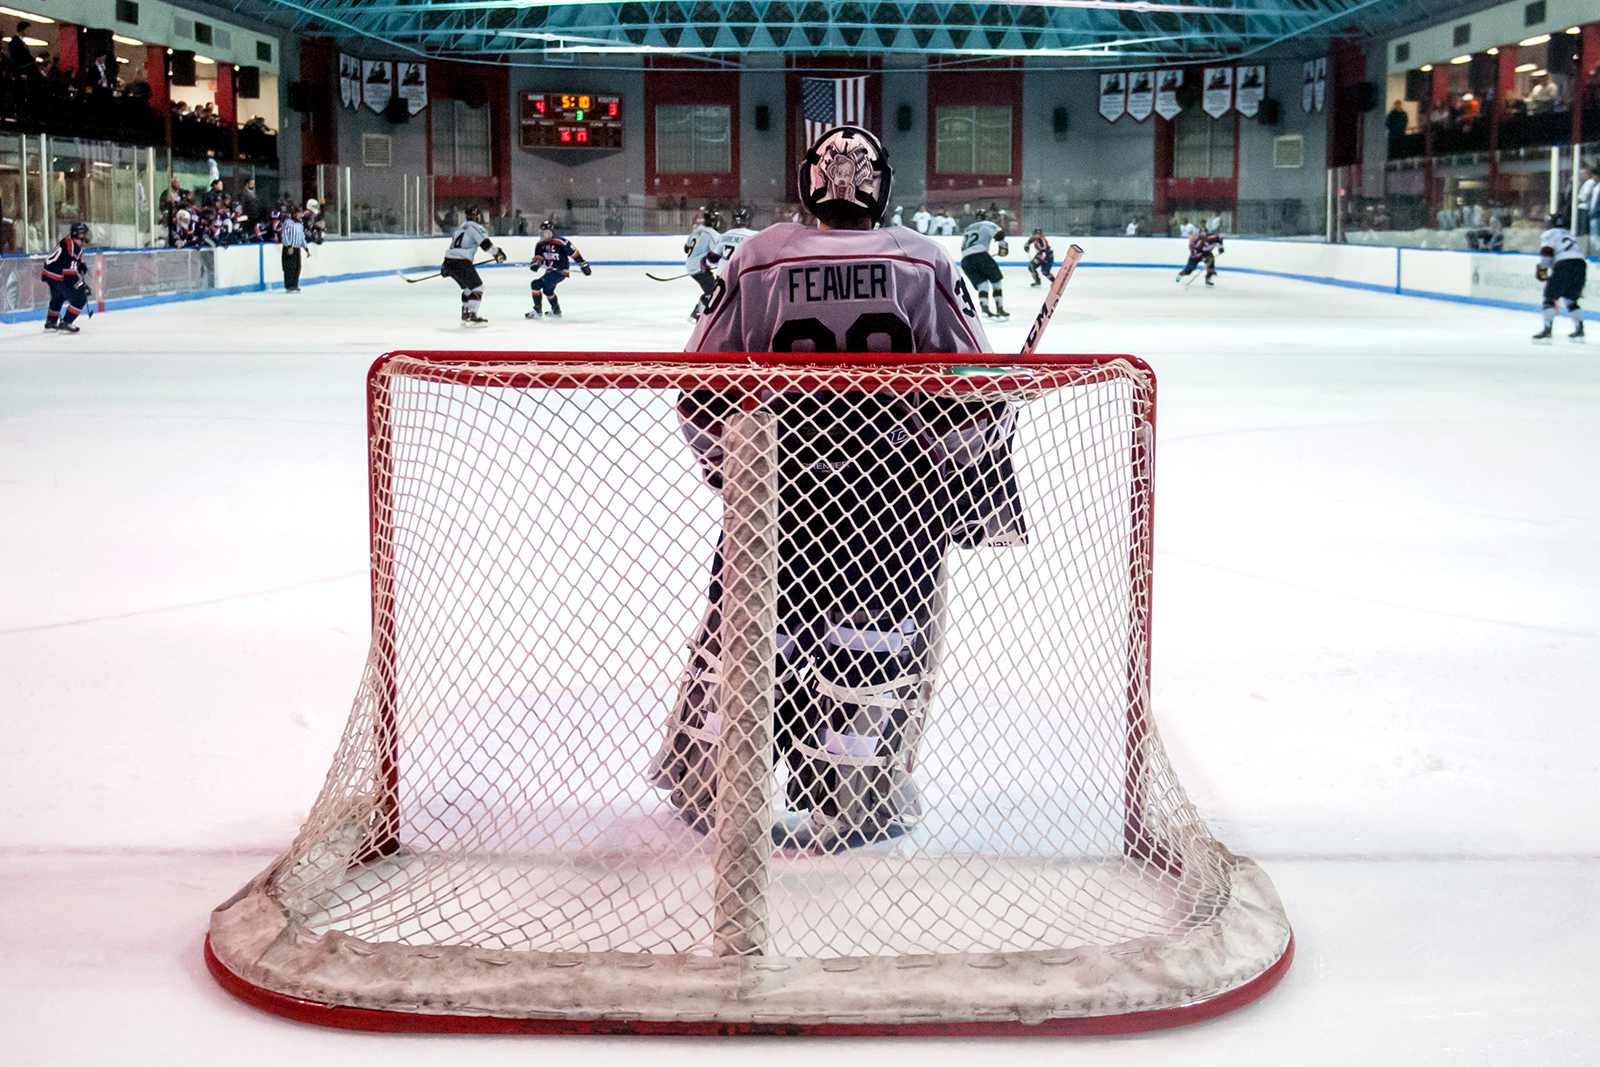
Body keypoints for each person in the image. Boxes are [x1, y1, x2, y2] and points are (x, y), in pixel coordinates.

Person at [651, 125, 1023, 854]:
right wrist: (961, 463)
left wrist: (734, 476)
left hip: (776, 494)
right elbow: (974, 394)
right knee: (873, 652)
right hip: (893, 504)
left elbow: (698, 388)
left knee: (753, 644)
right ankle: (849, 803)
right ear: (881, 183)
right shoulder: (921, 261)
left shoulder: (758, 257)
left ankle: (715, 792)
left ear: (808, 181)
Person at [443, 204, 506, 327]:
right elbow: (486, 244)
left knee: (467, 288)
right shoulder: (476, 227)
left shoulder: (460, 228)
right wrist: (497, 253)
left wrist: (445, 265)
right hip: (461, 261)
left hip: (449, 261)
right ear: (478, 217)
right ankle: (472, 316)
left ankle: (465, 315)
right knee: (478, 288)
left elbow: (452, 247)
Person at [1533, 212, 1585, 342]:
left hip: (1563, 264)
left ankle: (1547, 329)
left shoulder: (1548, 234)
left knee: (1549, 297)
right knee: (1571, 298)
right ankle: (1579, 329)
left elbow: (1547, 251)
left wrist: (1543, 267)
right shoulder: (1570, 234)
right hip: (1580, 264)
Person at [525, 217, 589, 319]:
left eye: (545, 232)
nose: (543, 234)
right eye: (542, 232)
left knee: (535, 284)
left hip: (560, 272)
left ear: (552, 232)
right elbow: (539, 258)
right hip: (550, 271)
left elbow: (575, 254)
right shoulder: (540, 244)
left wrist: (583, 265)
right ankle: (556, 311)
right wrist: (536, 264)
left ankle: (537, 311)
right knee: (547, 291)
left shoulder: (562, 242)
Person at [41, 221, 92, 333]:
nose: (86, 236)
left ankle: (51, 321)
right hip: (57, 276)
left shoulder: (67, 240)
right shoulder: (74, 248)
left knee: (58, 296)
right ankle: (67, 322)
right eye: (84, 234)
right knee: (80, 298)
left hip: (49, 273)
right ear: (78, 234)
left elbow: (65, 259)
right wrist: (81, 285)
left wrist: (78, 263)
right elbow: (69, 276)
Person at [959, 208, 1009, 320]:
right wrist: (1003, 247)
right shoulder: (987, 224)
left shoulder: (968, 228)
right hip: (980, 255)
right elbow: (1000, 234)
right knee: (996, 281)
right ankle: (999, 308)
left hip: (966, 260)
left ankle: (985, 309)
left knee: (982, 283)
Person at [683, 207, 723, 322]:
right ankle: (697, 315)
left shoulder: (697, 230)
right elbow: (715, 253)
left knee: (712, 290)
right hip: (699, 268)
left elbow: (686, 249)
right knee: (713, 292)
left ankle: (697, 313)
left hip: (691, 265)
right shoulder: (714, 234)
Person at [704, 206, 757, 276]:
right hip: (741, 275)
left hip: (722, 274)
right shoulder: (754, 236)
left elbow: (712, 258)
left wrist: (705, 263)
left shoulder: (723, 236)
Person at [280, 207, 309, 292]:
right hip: (289, 248)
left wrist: (306, 248)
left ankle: (295, 284)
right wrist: (289, 246)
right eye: (298, 213)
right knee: (289, 268)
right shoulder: (288, 223)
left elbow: (301, 237)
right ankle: (289, 286)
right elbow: (284, 235)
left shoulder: (300, 225)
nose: (300, 215)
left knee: (297, 267)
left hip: (297, 248)